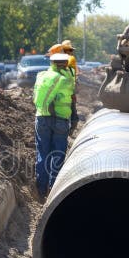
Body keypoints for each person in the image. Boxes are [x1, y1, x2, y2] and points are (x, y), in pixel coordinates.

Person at [33, 52, 76, 199]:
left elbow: (34, 96)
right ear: (64, 64)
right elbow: (72, 94)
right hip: (60, 120)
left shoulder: (41, 76)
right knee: (57, 153)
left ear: (51, 63)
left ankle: (40, 188)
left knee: (42, 152)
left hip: (41, 118)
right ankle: (53, 189)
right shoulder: (65, 79)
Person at [60, 39, 80, 128]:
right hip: (69, 88)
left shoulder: (60, 60)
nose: (72, 52)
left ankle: (71, 125)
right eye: (70, 50)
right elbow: (73, 74)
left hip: (64, 87)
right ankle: (72, 125)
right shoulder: (71, 59)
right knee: (72, 108)